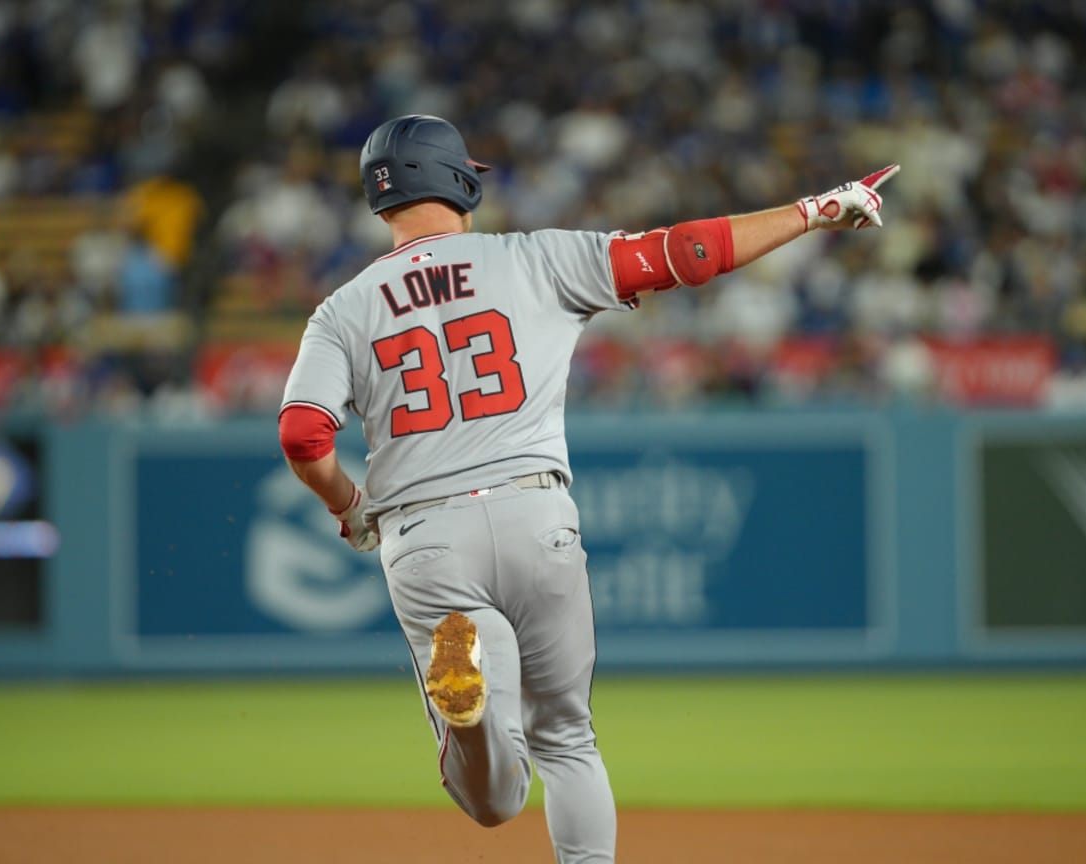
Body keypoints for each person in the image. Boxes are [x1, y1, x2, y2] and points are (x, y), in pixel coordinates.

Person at [277, 114, 897, 863]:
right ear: (458, 180)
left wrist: (348, 505)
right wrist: (814, 210)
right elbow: (686, 253)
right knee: (567, 738)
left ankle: (470, 716)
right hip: (537, 511)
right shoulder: (534, 258)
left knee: (492, 804)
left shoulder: (341, 310)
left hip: (425, 537)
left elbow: (303, 435)